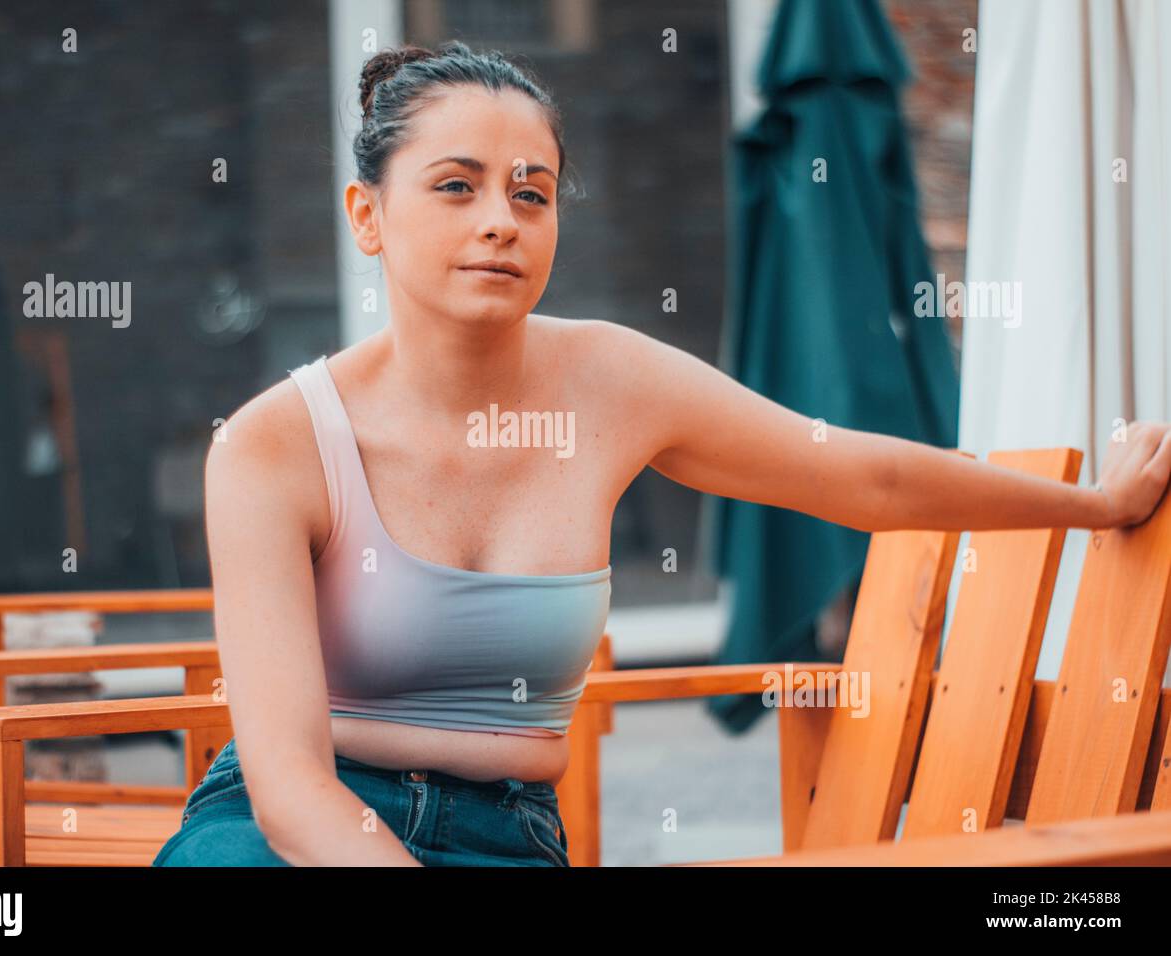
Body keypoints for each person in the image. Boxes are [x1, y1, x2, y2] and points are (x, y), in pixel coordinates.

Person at [153, 40, 1171, 867]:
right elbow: (290, 786)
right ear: (366, 216)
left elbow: (863, 474)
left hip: (505, 833)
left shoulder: (613, 381)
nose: (500, 222)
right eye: (455, 187)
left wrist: (1093, 501)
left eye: (531, 192)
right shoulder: (269, 446)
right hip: (292, 831)